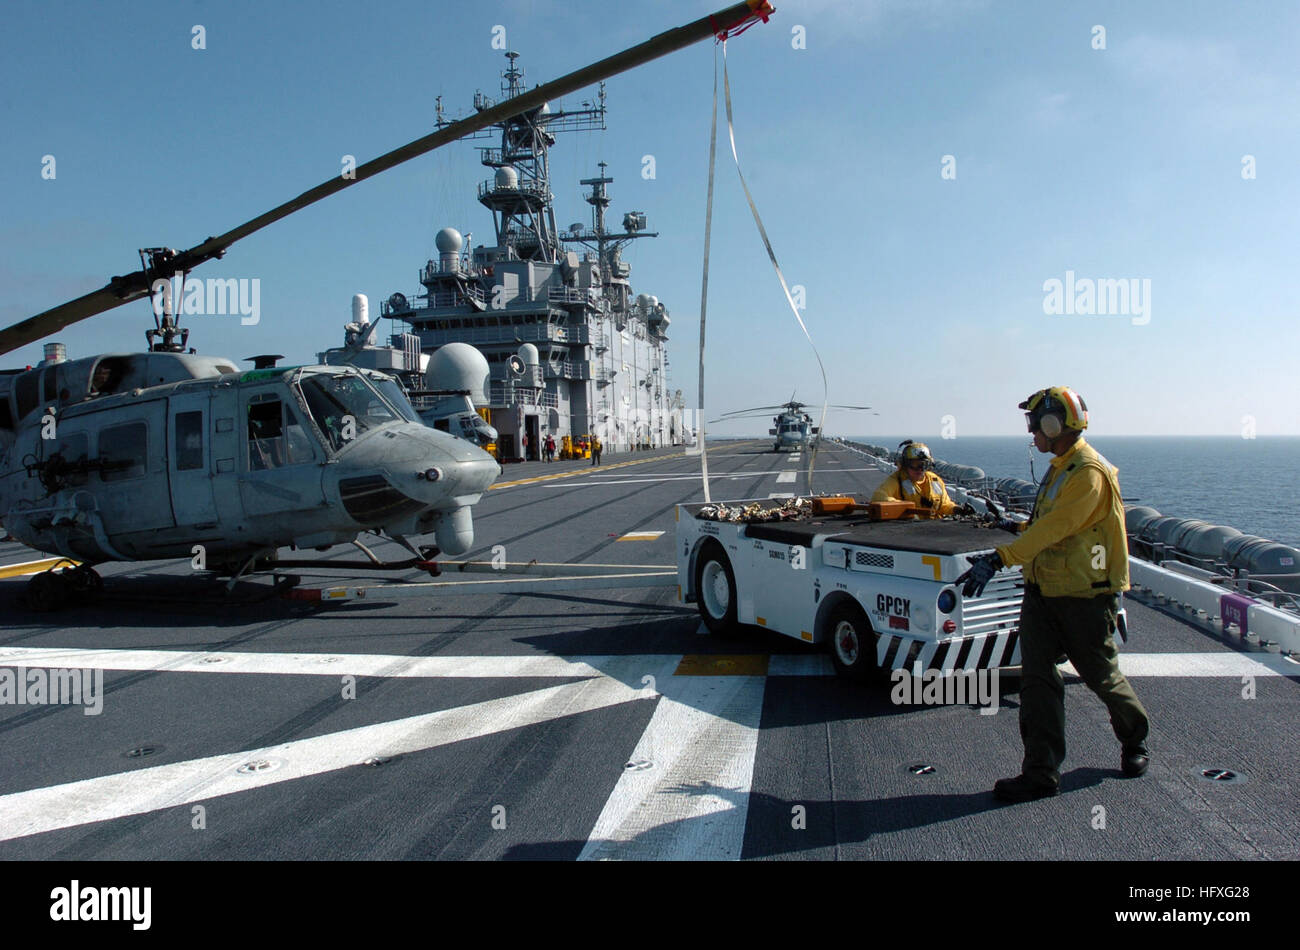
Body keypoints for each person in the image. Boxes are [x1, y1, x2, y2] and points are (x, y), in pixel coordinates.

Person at [956, 386, 1150, 803]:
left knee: (1101, 677)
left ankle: (1135, 740)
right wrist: (1018, 532)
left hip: (1084, 595)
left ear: (1054, 424)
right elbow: (1046, 525)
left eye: (1035, 424)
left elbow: (1057, 527)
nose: (1032, 433)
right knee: (1038, 682)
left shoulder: (1088, 473)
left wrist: (1001, 556)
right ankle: (1040, 772)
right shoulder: (1060, 467)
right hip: (1043, 591)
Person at [870, 441, 960, 518]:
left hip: (935, 530)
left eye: (924, 465)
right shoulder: (896, 480)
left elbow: (944, 505)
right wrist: (905, 508)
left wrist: (955, 509)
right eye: (915, 464)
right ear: (905, 465)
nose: (920, 469)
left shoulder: (935, 481)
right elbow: (878, 498)